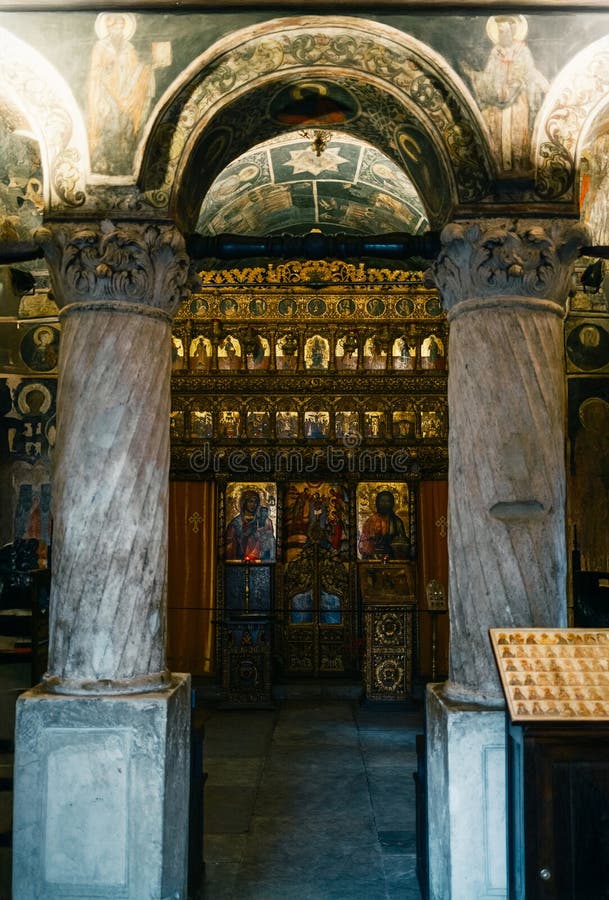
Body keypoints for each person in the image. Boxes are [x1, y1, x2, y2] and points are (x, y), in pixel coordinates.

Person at [463, 15, 548, 172]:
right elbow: (489, 76)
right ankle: (499, 167)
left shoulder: (523, 51)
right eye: (500, 32)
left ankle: (519, 166)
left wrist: (520, 84)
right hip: (498, 103)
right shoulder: (496, 52)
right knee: (497, 131)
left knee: (517, 132)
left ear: (512, 32)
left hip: (518, 101)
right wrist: (475, 76)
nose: (502, 35)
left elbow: (530, 73)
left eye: (505, 32)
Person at [358, 490, 409, 560]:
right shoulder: (370, 521)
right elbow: (364, 541)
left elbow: (402, 541)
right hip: (373, 556)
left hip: (392, 556)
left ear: (392, 504)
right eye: (382, 501)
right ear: (377, 503)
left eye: (388, 501)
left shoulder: (397, 522)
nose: (384, 504)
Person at [225, 490, 275, 561]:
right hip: (240, 557)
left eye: (255, 502)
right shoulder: (236, 523)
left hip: (260, 557)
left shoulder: (263, 520)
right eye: (250, 501)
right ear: (244, 503)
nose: (253, 505)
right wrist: (243, 536)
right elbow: (229, 542)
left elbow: (269, 537)